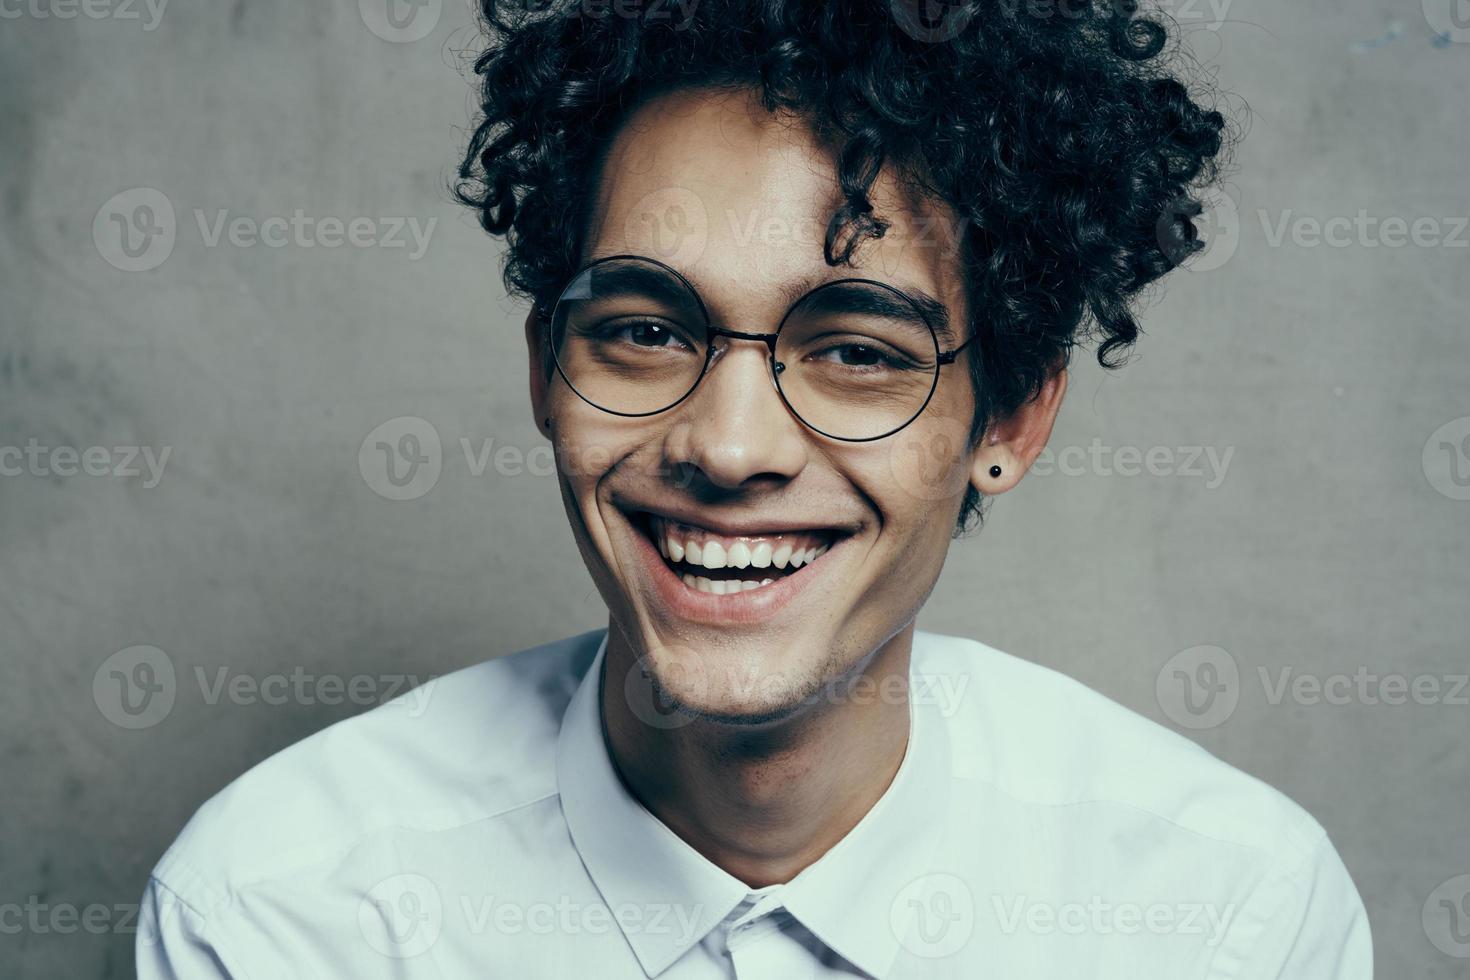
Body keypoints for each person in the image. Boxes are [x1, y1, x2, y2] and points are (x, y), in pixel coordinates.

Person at [138, 2, 1373, 976]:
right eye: (645, 330)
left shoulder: (1227, 920)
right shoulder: (283, 914)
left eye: (856, 349)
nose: (727, 449)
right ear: (543, 372)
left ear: (1010, 414)